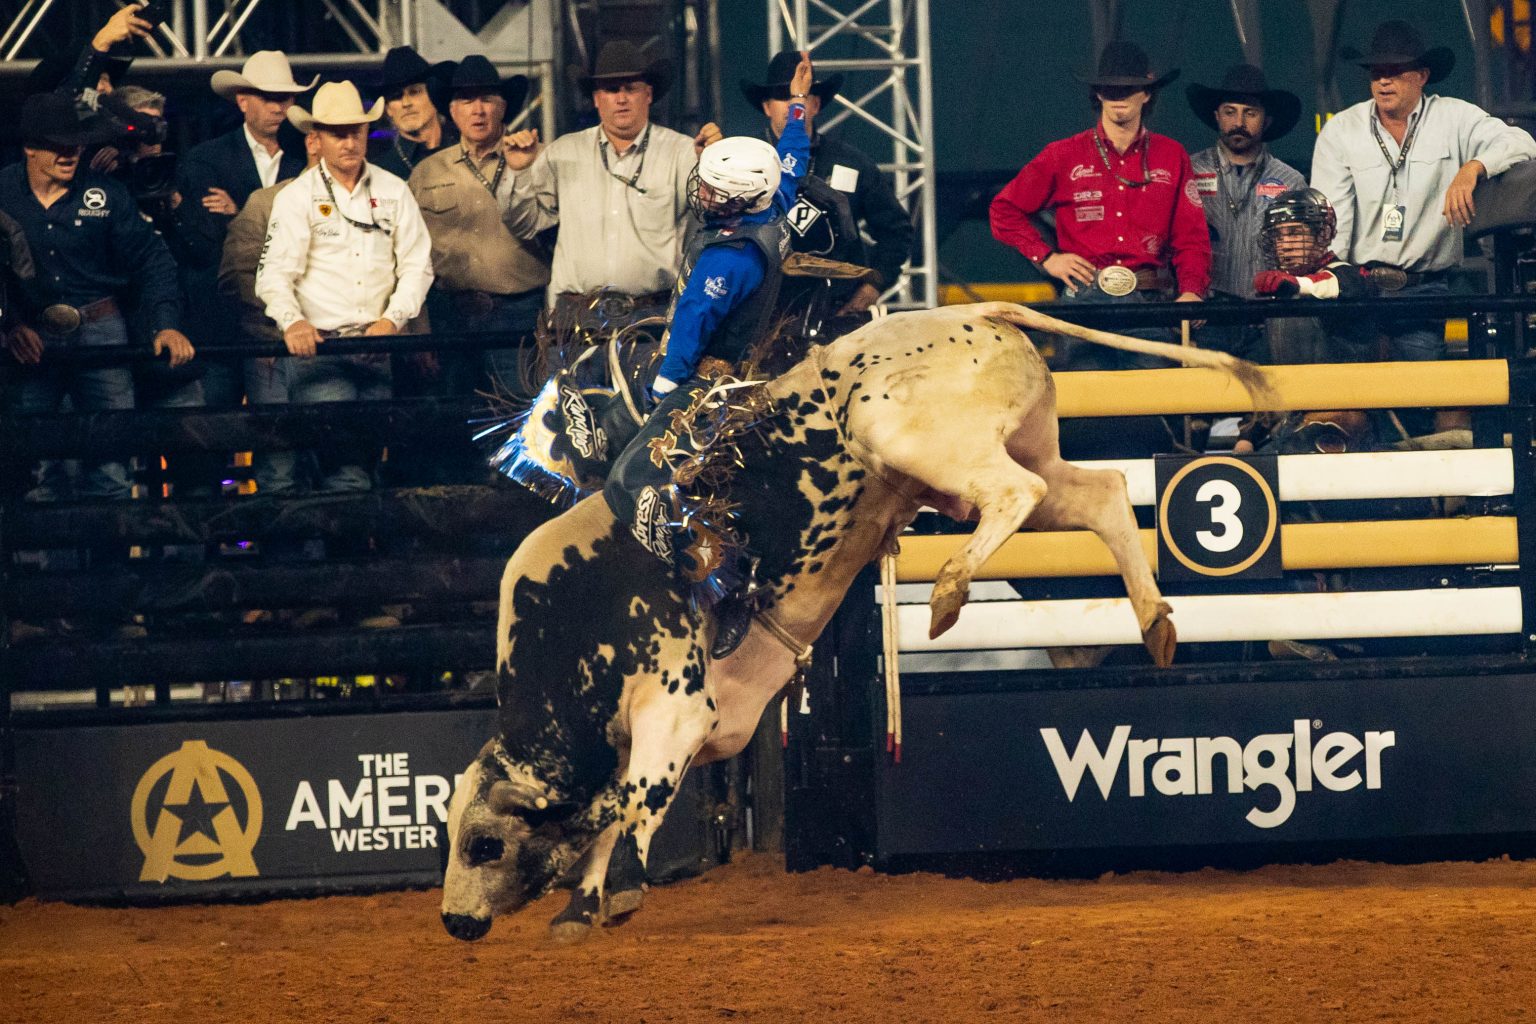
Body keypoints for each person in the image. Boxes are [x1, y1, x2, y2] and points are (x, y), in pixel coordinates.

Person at [603, 54, 812, 662]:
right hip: (742, 367)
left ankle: (721, 585)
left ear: (735, 201)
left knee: (633, 479)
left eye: (714, 189)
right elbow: (793, 155)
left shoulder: (726, 260)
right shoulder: (775, 199)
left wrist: (665, 383)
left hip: (708, 383)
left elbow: (693, 323)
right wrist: (796, 107)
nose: (703, 192)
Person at [0, 92, 193, 502]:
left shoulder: (107, 195)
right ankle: (45, 566)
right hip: (30, 337)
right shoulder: (3, 193)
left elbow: (152, 260)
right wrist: (9, 325)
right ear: (30, 147)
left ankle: (112, 566)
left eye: (76, 142)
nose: (70, 153)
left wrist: (166, 324)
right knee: (34, 466)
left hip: (101, 328)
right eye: (57, 144)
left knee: (112, 466)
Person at [1311, 19, 1536, 364]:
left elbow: (1523, 143)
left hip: (1425, 288)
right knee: (1357, 400)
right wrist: (1338, 285)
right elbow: (1331, 224)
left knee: (1423, 401)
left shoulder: (1454, 117)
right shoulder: (1340, 131)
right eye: (1376, 72)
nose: (1384, 80)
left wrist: (1474, 166)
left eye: (1396, 71)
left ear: (1422, 76)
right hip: (1359, 287)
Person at [254, 81, 433, 493]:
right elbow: (275, 274)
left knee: (365, 464)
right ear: (316, 139)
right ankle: (349, 551)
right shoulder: (296, 197)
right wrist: (292, 321)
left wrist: (392, 320)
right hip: (322, 349)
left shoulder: (393, 190)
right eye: (338, 132)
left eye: (356, 130)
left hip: (377, 347)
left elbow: (418, 265)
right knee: (346, 470)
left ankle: (347, 551)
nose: (349, 141)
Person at [990, 41, 1209, 371]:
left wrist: (1192, 291)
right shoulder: (1063, 154)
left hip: (1150, 298)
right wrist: (1047, 257)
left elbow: (1191, 237)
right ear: (1098, 95)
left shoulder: (1171, 155)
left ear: (1147, 94)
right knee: (1089, 406)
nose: (1118, 98)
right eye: (1110, 89)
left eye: (1128, 88)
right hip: (1085, 296)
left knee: (1155, 406)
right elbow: (1003, 210)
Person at [501, 40, 722, 328]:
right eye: (611, 89)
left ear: (648, 94)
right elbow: (524, 224)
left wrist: (716, 167)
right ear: (595, 98)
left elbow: (713, 218)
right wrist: (518, 173)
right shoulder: (563, 152)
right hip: (576, 314)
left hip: (652, 314)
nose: (621, 98)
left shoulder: (682, 152)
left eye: (630, 88)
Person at [177, 51, 313, 416]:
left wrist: (240, 212)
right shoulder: (206, 159)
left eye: (285, 98)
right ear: (242, 101)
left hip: (287, 322)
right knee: (211, 429)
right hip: (220, 321)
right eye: (268, 97)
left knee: (284, 434)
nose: (278, 107)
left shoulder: (306, 159)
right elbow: (204, 238)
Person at [741, 49, 913, 327]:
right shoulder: (744, 163)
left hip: (838, 315)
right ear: (766, 106)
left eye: (799, 95)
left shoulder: (853, 163)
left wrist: (872, 286)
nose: (790, 104)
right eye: (783, 96)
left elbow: (897, 231)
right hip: (761, 318)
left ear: (815, 104)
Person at [408, 56, 546, 398]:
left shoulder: (539, 160)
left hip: (520, 315)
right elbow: (410, 256)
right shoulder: (426, 172)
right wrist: (420, 328)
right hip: (447, 316)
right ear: (452, 111)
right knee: (450, 426)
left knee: (520, 422)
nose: (478, 110)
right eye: (467, 100)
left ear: (504, 108)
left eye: (487, 99)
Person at [1184, 64, 1307, 362]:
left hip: (1266, 322)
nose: (1238, 122)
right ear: (1216, 116)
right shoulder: (1188, 171)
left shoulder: (1291, 181)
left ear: (1267, 121)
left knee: (1269, 408)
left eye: (1250, 113)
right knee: (1206, 407)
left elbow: (1302, 258)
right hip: (1206, 319)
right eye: (1230, 111)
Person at [370, 46, 458, 180]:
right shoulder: (379, 173)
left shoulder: (467, 154)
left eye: (414, 92)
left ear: (434, 94)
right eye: (396, 96)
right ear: (388, 109)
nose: (406, 103)